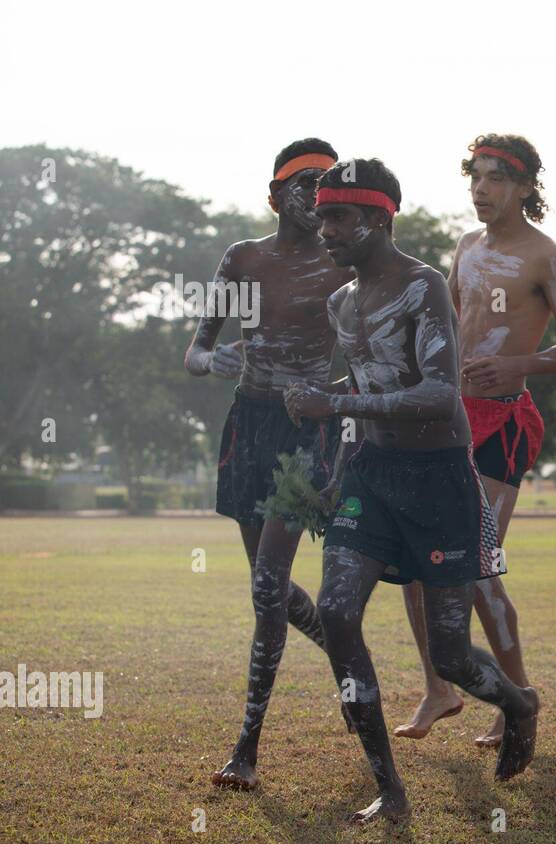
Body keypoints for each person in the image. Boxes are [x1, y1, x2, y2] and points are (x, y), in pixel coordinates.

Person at [284, 159, 538, 823]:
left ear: (377, 218)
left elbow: (435, 392)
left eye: (338, 216)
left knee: (450, 656)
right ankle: (389, 790)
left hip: (438, 479)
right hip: (370, 475)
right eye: (321, 215)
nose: (324, 227)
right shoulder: (342, 301)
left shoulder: (423, 286)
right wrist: (321, 401)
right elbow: (370, 388)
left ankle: (517, 703)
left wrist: (335, 406)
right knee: (338, 613)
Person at [394, 134, 556, 747]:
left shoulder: (545, 257)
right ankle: (439, 687)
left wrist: (520, 366)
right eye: (474, 178)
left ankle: (517, 699)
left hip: (502, 424)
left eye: (495, 179)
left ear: (526, 186)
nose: (481, 189)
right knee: (412, 562)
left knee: (477, 569)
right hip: (445, 417)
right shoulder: (465, 248)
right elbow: (449, 334)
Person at [185, 138, 354, 791]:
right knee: (272, 588)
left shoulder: (344, 266)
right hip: (246, 425)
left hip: (305, 432)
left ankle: (246, 750)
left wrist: (344, 417)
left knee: (265, 590)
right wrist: (213, 361)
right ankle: (345, 659)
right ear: (274, 193)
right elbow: (198, 350)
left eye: (326, 186)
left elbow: (365, 360)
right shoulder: (245, 259)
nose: (316, 196)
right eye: (305, 183)